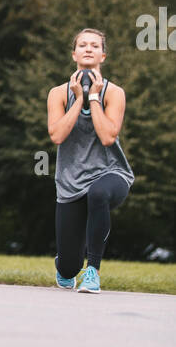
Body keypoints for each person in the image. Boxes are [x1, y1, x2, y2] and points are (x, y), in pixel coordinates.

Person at [47, 27, 133, 294]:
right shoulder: (58, 93)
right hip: (71, 182)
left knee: (98, 193)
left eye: (94, 45)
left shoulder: (114, 93)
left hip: (111, 174)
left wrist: (93, 96)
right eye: (82, 45)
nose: (88, 48)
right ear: (74, 54)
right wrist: (79, 99)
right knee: (68, 269)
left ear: (103, 56)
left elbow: (108, 136)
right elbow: (58, 135)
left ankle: (93, 270)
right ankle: (68, 265)